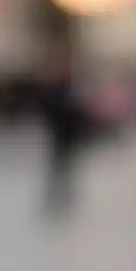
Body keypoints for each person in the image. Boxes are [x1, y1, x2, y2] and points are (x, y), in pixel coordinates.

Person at [38, 42, 82, 217]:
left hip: (68, 134)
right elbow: (48, 110)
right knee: (57, 166)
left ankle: (63, 196)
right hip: (58, 134)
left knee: (65, 166)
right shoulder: (53, 89)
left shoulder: (69, 86)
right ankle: (55, 196)